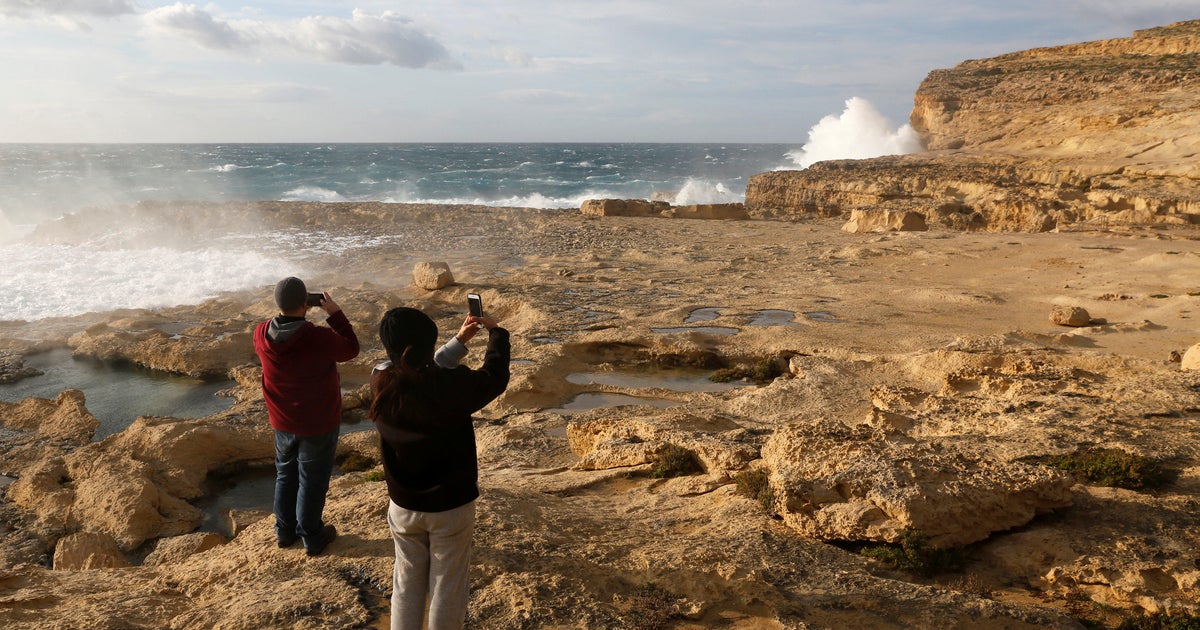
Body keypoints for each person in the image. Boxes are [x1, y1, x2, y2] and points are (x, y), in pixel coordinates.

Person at [370, 306, 510, 630]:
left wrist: (460, 340)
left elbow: (419, 368)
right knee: (447, 585)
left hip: (404, 505)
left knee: (406, 583)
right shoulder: (452, 385)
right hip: (450, 506)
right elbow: (495, 377)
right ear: (427, 347)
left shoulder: (380, 380)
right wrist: (497, 334)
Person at [253, 276, 360, 556]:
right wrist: (335, 314)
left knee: (286, 474)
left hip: (282, 421)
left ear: (277, 303)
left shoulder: (260, 333)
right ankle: (312, 535)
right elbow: (351, 348)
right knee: (312, 479)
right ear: (306, 304)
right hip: (317, 422)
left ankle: (284, 531)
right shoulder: (317, 336)